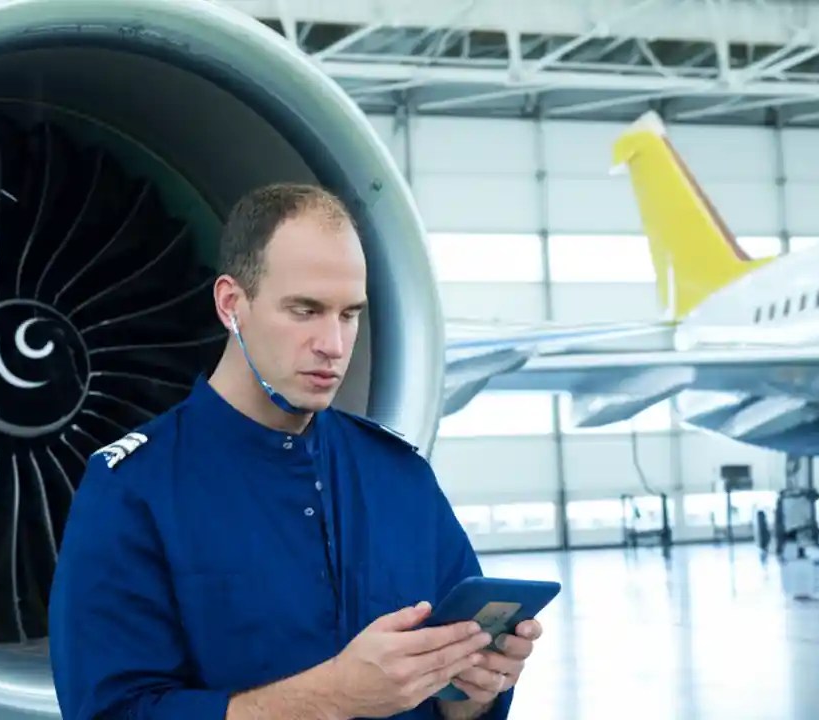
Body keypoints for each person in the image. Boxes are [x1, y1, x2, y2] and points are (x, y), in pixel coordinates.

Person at [48, 183, 542, 719]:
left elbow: (456, 710)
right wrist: (335, 695)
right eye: (305, 311)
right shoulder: (132, 491)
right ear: (231, 305)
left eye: (349, 314)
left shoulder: (401, 477)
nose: (333, 344)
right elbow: (113, 712)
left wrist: (476, 687)